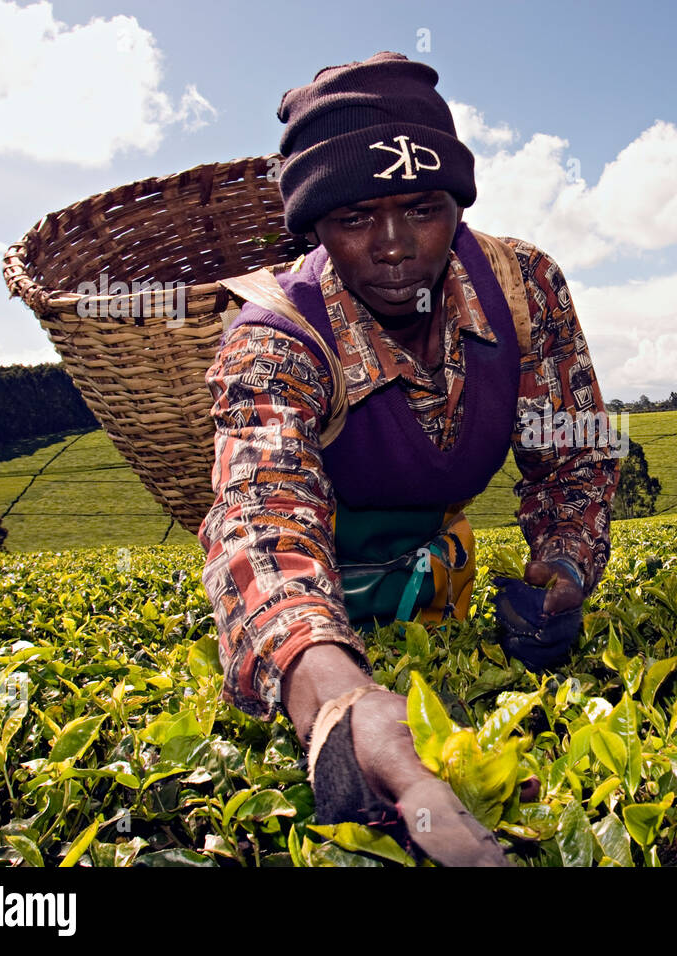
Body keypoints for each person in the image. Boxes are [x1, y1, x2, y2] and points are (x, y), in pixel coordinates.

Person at [196, 52, 620, 866]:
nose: (394, 247)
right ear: (312, 228)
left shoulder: (523, 285)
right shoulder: (274, 336)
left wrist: (563, 568)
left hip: (439, 563)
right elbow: (260, 513)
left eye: (422, 209)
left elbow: (574, 451)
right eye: (355, 218)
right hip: (320, 590)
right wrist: (335, 699)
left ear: (455, 204)